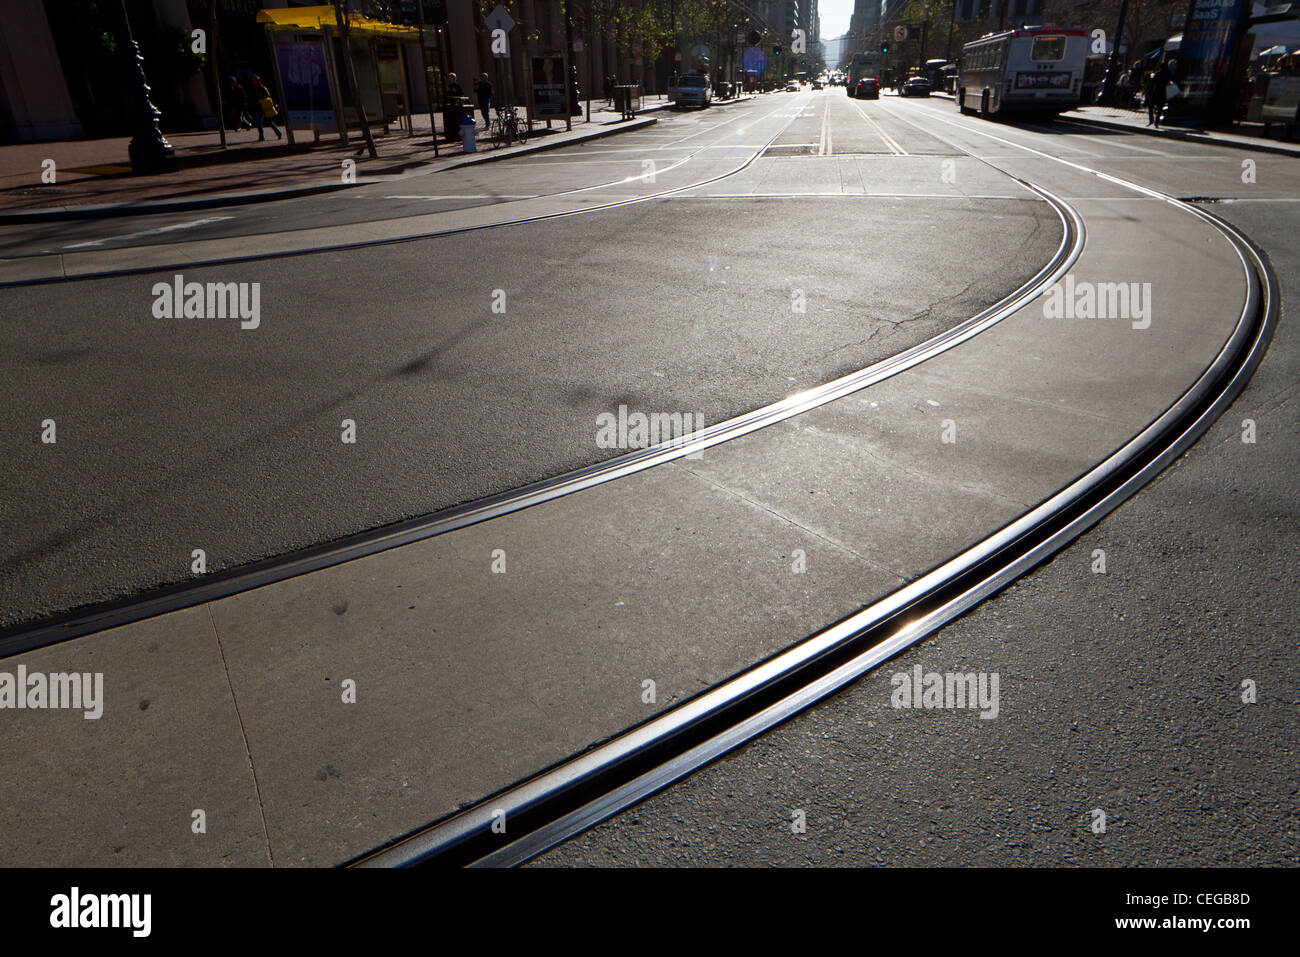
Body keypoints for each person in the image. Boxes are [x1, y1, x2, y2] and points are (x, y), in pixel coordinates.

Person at [250, 74, 282, 141]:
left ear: (258, 81)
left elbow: (269, 97)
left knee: (270, 122)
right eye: (253, 80)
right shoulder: (253, 89)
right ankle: (261, 137)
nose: (254, 82)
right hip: (259, 107)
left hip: (265, 107)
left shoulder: (263, 88)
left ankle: (278, 133)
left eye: (255, 80)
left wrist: (262, 96)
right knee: (259, 122)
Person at [1146, 61, 1172, 128]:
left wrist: (1148, 92)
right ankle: (1156, 122)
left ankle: (1151, 120)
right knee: (1160, 108)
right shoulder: (1169, 74)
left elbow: (1152, 83)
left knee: (1151, 107)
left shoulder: (1158, 73)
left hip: (1156, 91)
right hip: (1164, 92)